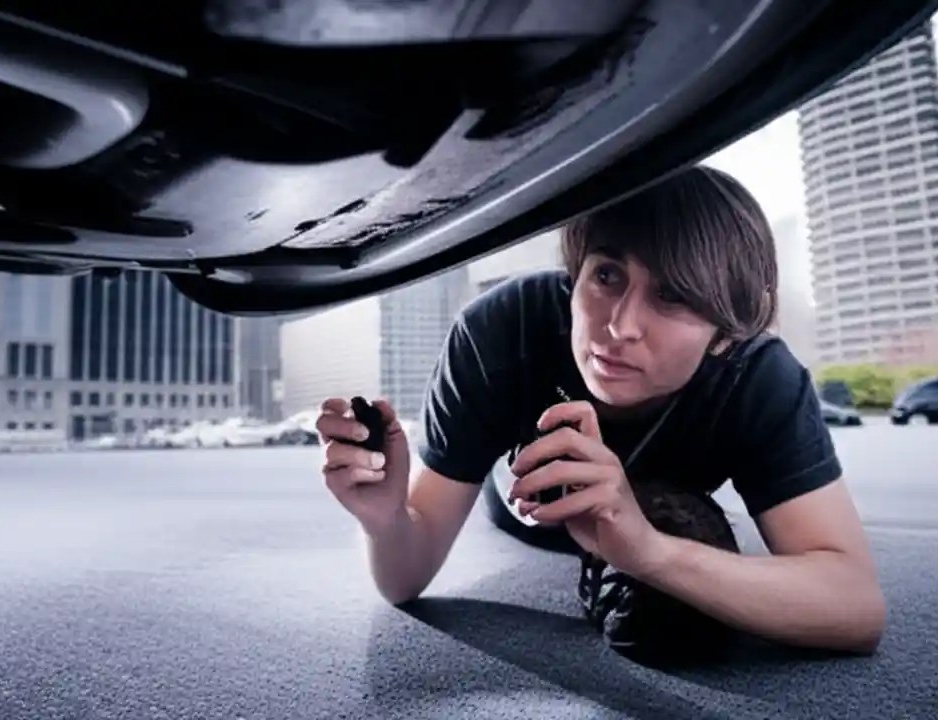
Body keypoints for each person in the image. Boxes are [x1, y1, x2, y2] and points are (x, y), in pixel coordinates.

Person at [317, 165, 886, 666]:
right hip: (518, 505)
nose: (620, 327)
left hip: (664, 509)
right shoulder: (499, 331)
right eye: (607, 276)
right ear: (575, 274)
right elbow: (404, 581)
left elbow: (855, 607)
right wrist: (387, 519)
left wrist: (649, 551)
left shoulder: (759, 377)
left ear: (725, 335)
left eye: (674, 297)